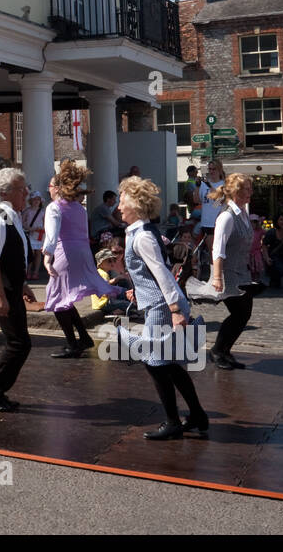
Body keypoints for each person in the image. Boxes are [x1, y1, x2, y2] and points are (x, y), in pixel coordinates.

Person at [113, 176, 207, 440]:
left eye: (122, 201)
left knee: (155, 363)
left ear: (136, 204)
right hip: (158, 302)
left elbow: (163, 275)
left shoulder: (142, 236)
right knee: (169, 363)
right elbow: (152, 273)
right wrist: (137, 290)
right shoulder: (141, 232)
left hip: (162, 305)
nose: (119, 207)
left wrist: (176, 310)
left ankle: (173, 421)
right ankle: (197, 414)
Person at [43, 161, 119, 359]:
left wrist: (46, 258)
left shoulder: (54, 207)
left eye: (50, 186)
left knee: (57, 298)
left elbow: (51, 237)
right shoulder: (78, 208)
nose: (48, 189)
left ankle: (72, 343)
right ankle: (83, 338)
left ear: (58, 188)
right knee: (65, 299)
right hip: (82, 252)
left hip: (65, 253)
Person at [0, 168, 38, 412]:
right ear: (9, 192)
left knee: (20, 343)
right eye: (23, 188)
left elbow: (11, 259)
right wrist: (0, 296)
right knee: (18, 343)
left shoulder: (12, 218)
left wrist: (22, 284)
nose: (27, 192)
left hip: (10, 288)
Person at [197, 173, 259, 370]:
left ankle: (223, 350)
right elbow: (218, 248)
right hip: (229, 273)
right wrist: (217, 277)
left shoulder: (242, 213)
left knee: (243, 314)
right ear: (236, 192)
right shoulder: (226, 216)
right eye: (246, 189)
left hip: (242, 272)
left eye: (250, 188)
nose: (250, 193)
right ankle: (217, 350)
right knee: (240, 313)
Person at [22, 190, 45, 279]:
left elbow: (46, 223)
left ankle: (36, 272)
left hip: (39, 235)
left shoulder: (43, 212)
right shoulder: (27, 211)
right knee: (30, 254)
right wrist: (30, 228)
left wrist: (42, 229)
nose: (36, 201)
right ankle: (28, 271)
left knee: (38, 253)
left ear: (40, 201)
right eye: (34, 200)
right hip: (31, 234)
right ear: (30, 201)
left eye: (38, 200)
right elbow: (22, 222)